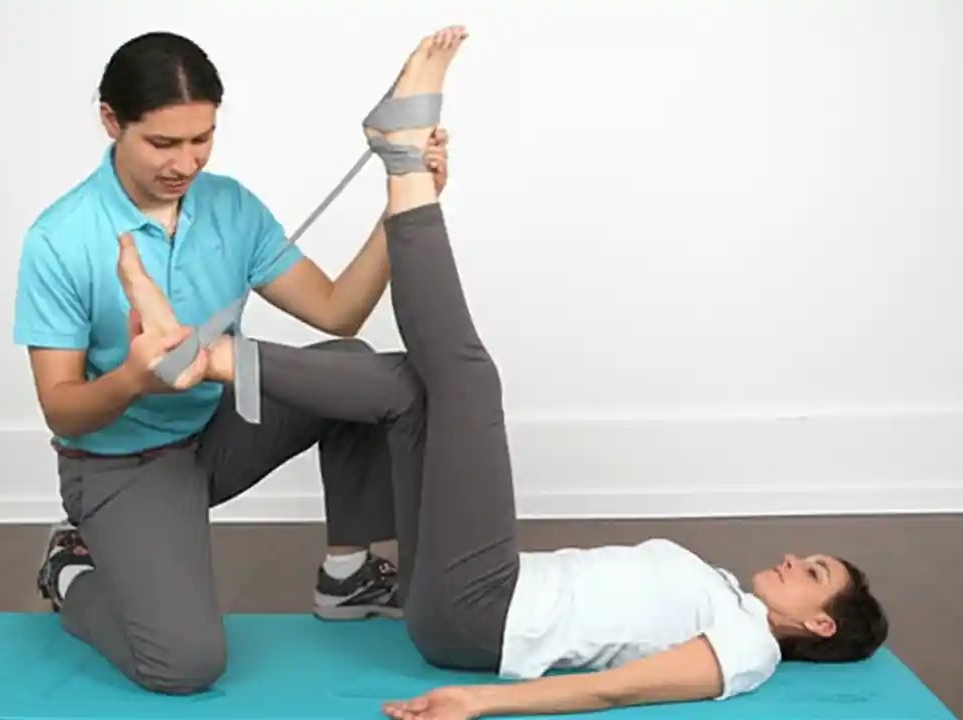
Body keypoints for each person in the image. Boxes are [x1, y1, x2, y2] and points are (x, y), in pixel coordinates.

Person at [119, 26, 891, 718]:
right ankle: (342, 566)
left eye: (814, 571)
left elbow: (617, 688)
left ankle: (396, 169)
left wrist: (485, 704)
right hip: (473, 591)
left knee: (467, 379)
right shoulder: (724, 592)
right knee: (407, 394)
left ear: (819, 624)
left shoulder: (749, 648)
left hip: (483, 614)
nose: (796, 558)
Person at [13, 30, 452, 694]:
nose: (185, 163)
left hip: (218, 428)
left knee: (354, 371)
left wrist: (406, 199)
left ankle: (347, 576)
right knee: (184, 665)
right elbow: (61, 406)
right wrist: (134, 377)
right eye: (163, 143)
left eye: (202, 140)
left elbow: (338, 312)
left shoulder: (229, 206)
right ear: (111, 121)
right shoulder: (60, 239)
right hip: (121, 464)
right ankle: (71, 572)